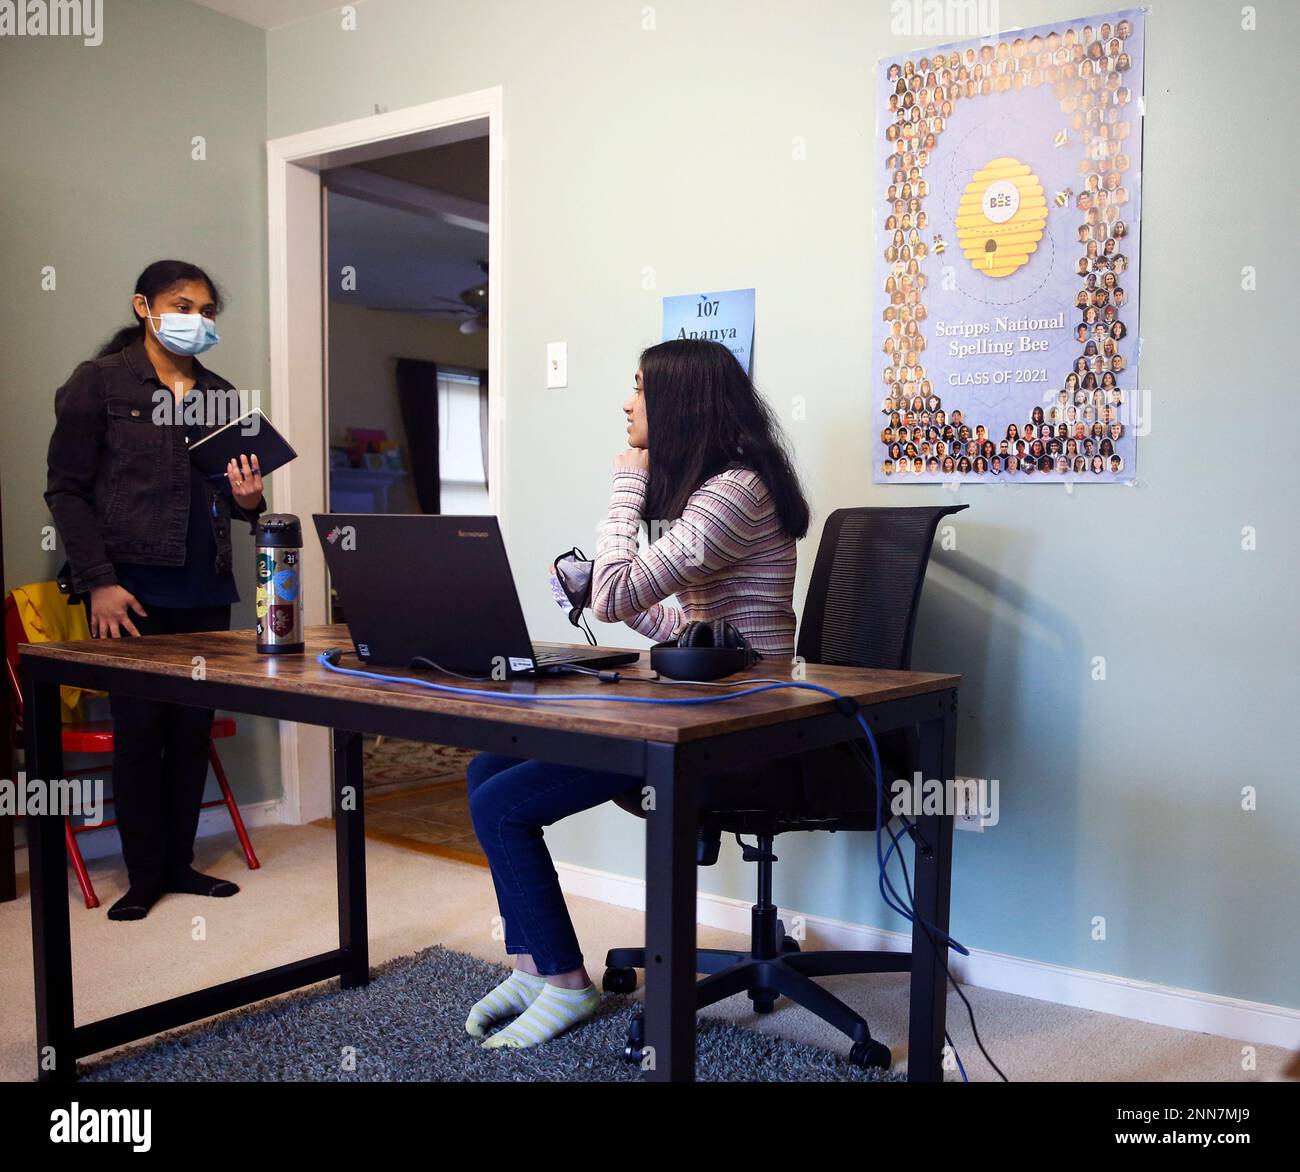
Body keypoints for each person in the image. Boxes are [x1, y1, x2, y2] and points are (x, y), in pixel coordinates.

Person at [462, 339, 812, 1051]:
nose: (626, 403)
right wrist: (596, 588)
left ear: (680, 403)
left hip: (737, 727)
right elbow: (682, 625)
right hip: (706, 700)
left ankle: (565, 985)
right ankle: (533, 967)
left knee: (502, 806)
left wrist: (626, 489)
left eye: (638, 389)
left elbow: (623, 589)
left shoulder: (736, 489)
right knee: (484, 771)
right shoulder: (723, 486)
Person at [44, 260, 267, 921]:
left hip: (206, 589)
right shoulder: (100, 383)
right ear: (144, 306)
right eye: (182, 305)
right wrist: (99, 583)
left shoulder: (222, 393)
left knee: (191, 731)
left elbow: (239, 499)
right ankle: (144, 874)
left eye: (205, 310)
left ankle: (179, 862)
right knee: (140, 732)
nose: (195, 319)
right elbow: (67, 489)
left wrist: (250, 501)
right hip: (130, 590)